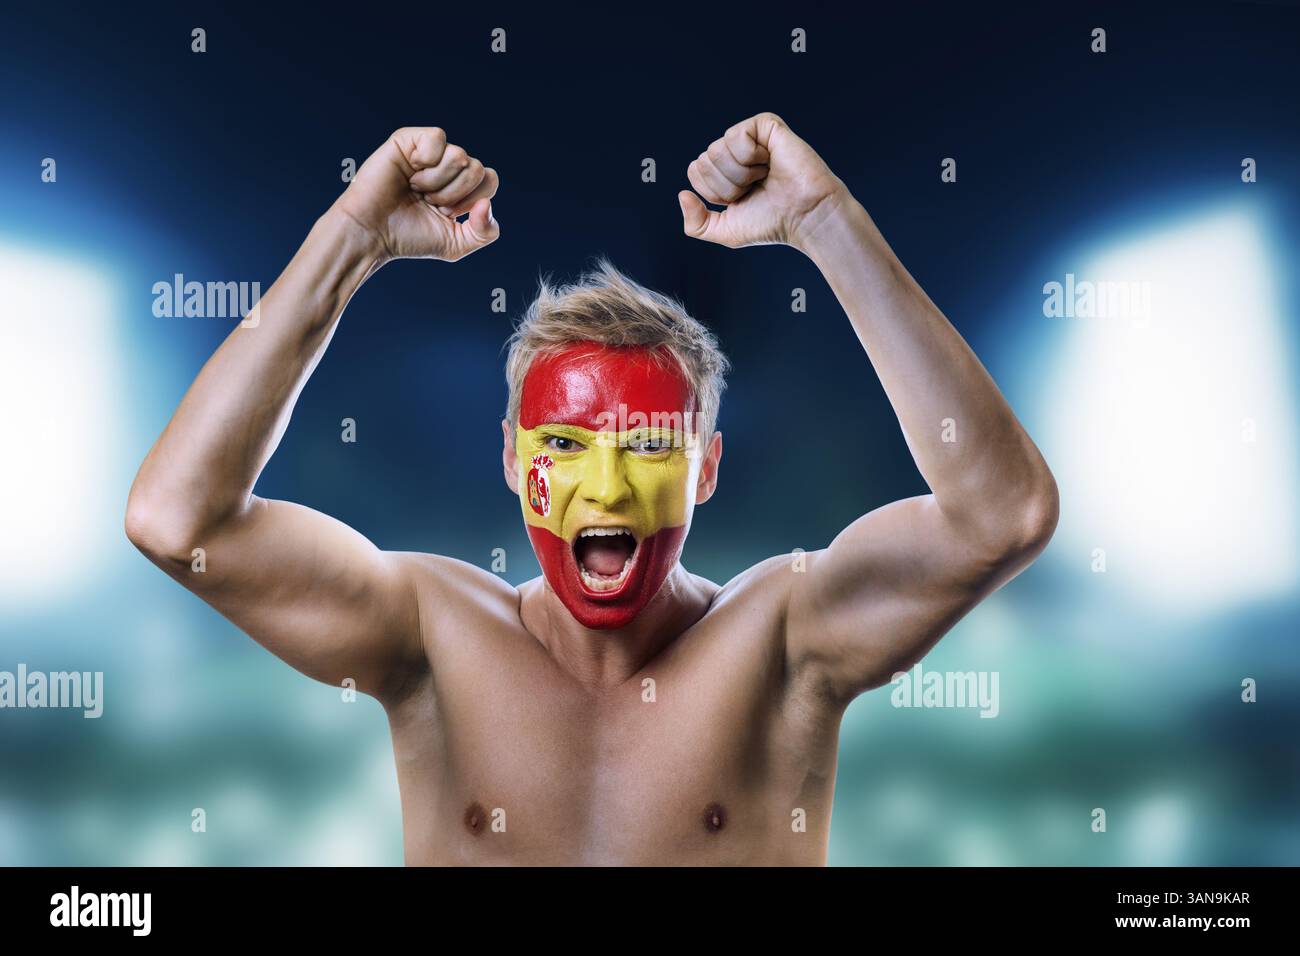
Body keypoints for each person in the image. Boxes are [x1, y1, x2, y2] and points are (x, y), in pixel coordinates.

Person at [125, 113, 1058, 865]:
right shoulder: (429, 634)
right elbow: (177, 521)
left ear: (706, 467)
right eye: (564, 444)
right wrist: (352, 241)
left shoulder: (785, 639)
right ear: (508, 458)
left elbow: (1003, 516)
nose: (603, 489)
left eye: (649, 444)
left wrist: (826, 224)